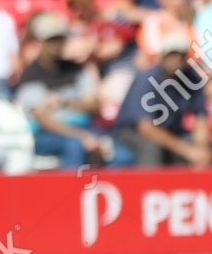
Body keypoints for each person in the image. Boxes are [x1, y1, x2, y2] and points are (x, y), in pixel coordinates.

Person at [14, 13, 132, 169]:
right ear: (40, 42)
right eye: (51, 40)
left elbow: (94, 105)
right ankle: (71, 192)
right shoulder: (31, 75)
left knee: (123, 156)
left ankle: (107, 192)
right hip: (46, 136)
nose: (57, 44)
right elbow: (44, 120)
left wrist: (62, 102)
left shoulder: (76, 69)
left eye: (60, 39)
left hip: (85, 129)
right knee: (75, 147)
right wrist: (82, 135)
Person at [113, 38, 212, 167]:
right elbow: (145, 128)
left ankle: (209, 186)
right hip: (130, 132)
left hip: (169, 131)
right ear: (162, 57)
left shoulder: (192, 78)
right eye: (172, 55)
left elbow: (201, 118)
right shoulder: (147, 80)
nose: (176, 59)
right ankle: (150, 186)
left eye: (181, 55)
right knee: (152, 147)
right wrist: (187, 150)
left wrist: (201, 147)